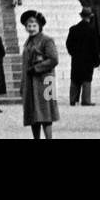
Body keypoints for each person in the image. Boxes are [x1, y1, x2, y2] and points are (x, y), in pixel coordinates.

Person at [20, 9, 59, 139]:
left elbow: (53, 59)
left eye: (34, 26)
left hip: (44, 82)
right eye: (28, 26)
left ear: (40, 26)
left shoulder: (47, 40)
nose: (31, 29)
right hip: (30, 83)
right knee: (33, 115)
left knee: (46, 113)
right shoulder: (29, 42)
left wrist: (37, 68)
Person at [65, 8, 100, 106]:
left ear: (81, 16)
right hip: (88, 59)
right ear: (90, 17)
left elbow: (69, 44)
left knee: (75, 78)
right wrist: (97, 60)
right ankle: (86, 100)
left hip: (76, 58)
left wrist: (73, 53)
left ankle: (73, 99)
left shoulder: (73, 29)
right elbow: (95, 47)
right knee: (86, 79)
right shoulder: (92, 30)